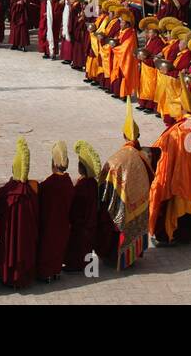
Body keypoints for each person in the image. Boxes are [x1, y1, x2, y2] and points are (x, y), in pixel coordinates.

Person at [148, 83, 191, 246]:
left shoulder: (177, 131)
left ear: (183, 108)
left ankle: (171, 236)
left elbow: (161, 151)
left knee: (175, 208)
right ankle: (189, 234)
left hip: (179, 179)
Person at [97, 100, 154, 270]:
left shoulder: (117, 160)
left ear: (123, 135)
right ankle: (133, 256)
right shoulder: (143, 156)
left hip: (123, 206)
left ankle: (115, 258)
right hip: (140, 203)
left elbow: (104, 184)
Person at [0, 137, 39, 289]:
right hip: (25, 238)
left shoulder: (9, 190)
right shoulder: (31, 191)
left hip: (8, 236)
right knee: (23, 248)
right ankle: (22, 278)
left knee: (9, 250)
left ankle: (8, 278)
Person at [33, 140, 74, 283]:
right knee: (58, 248)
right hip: (63, 224)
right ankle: (56, 271)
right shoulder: (68, 182)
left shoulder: (49, 184)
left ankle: (46, 274)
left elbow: (40, 198)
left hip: (49, 224)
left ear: (54, 164)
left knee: (47, 249)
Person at [64, 140, 102, 274]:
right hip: (91, 222)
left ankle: (77, 265)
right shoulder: (92, 183)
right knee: (87, 245)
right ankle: (88, 266)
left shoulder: (82, 186)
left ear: (81, 169)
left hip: (81, 223)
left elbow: (76, 206)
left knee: (78, 246)